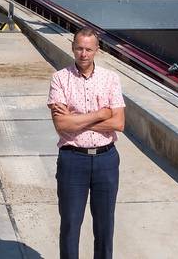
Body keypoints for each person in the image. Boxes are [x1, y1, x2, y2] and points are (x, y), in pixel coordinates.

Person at [47, 27, 125, 259]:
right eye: (79, 48)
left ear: (97, 50)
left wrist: (76, 119)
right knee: (70, 224)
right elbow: (62, 126)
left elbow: (119, 123)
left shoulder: (111, 79)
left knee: (104, 227)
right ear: (73, 47)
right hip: (73, 159)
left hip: (106, 159)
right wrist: (101, 114)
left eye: (88, 49)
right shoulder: (60, 78)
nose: (83, 54)